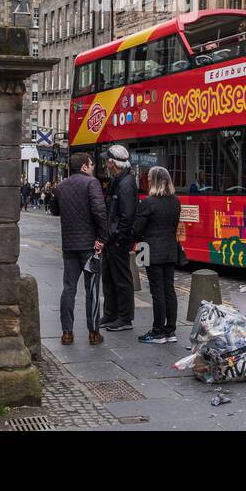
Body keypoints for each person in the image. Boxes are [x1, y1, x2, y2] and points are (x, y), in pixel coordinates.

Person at [50, 152, 107, 345]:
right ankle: (93, 333)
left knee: (68, 289)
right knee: (91, 289)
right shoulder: (92, 183)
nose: (92, 167)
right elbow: (99, 211)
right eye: (91, 164)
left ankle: (67, 333)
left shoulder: (61, 186)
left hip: (69, 245)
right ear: (84, 167)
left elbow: (54, 210)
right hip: (90, 246)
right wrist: (102, 238)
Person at [131, 165, 181, 344]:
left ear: (156, 181)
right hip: (170, 249)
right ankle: (171, 330)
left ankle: (158, 331)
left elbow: (137, 229)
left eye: (150, 178)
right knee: (169, 290)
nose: (148, 180)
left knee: (157, 291)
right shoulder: (175, 201)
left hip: (151, 250)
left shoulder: (148, 202)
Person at [101, 145, 138, 332]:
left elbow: (127, 216)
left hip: (117, 241)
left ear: (112, 162)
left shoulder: (126, 184)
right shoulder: (118, 180)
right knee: (108, 278)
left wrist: (119, 239)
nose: (105, 163)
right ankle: (110, 314)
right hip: (111, 239)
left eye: (106, 160)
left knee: (121, 279)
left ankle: (124, 317)